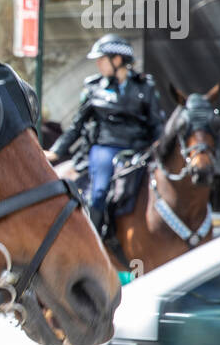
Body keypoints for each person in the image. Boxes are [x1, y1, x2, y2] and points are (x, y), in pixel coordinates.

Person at [45, 34, 164, 235]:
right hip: (105, 148)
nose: (98, 63)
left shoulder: (146, 87)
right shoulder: (93, 88)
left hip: (139, 150)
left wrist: (161, 150)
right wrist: (56, 152)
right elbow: (76, 125)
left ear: (117, 60)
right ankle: (95, 239)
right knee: (99, 193)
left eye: (102, 58)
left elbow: (157, 125)